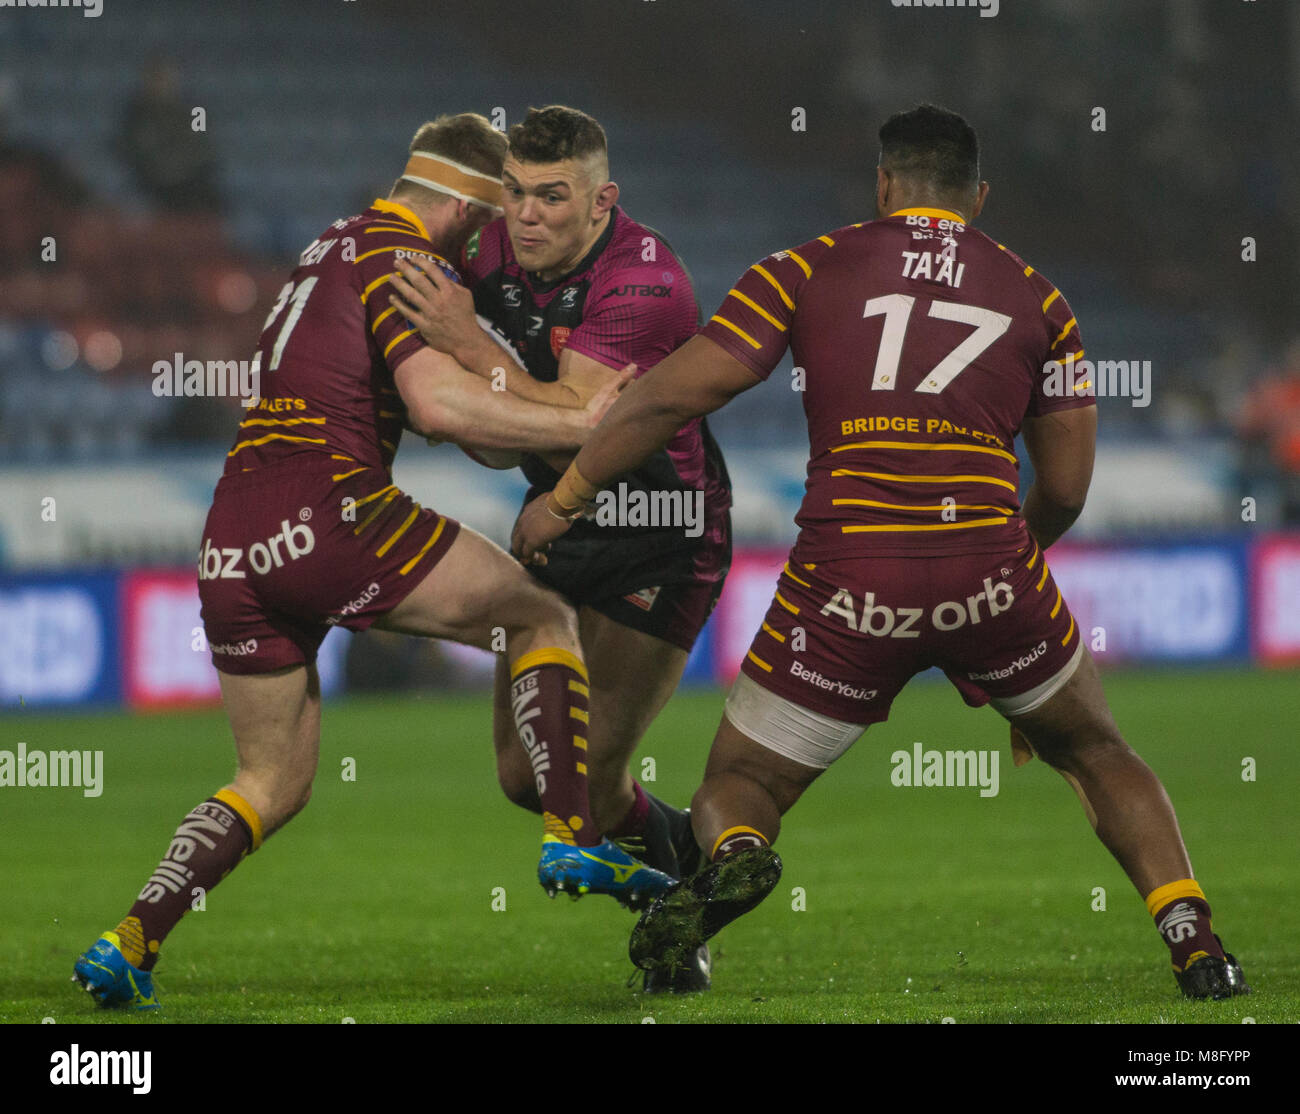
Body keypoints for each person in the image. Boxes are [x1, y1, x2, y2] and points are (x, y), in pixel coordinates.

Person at [513, 104, 1250, 1001]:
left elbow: (666, 400)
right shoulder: (1037, 294)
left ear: (882, 186)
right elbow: (1063, 488)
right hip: (990, 570)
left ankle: (738, 857)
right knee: (1098, 752)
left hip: (849, 582)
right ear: (976, 198)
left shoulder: (804, 267)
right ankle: (1196, 944)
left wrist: (566, 498)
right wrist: (1006, 574)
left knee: (741, 781)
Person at [72, 113, 672, 1011]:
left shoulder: (333, 242)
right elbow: (436, 406)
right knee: (538, 612)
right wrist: (583, 424)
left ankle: (129, 941)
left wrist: (517, 414)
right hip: (329, 507)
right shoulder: (407, 256)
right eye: (491, 215)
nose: (491, 240)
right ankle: (570, 831)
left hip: (233, 533)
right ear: (466, 207)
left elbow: (473, 430)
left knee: (269, 781)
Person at [387, 106, 731, 992]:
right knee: (525, 779)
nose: (525, 215)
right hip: (559, 518)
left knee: (584, 773)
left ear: (601, 200)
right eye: (512, 193)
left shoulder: (646, 284)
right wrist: (500, 419)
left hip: (661, 529)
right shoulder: (490, 252)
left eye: (551, 196)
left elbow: (578, 434)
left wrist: (468, 345)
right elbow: (515, 435)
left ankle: (677, 912)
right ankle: (690, 855)